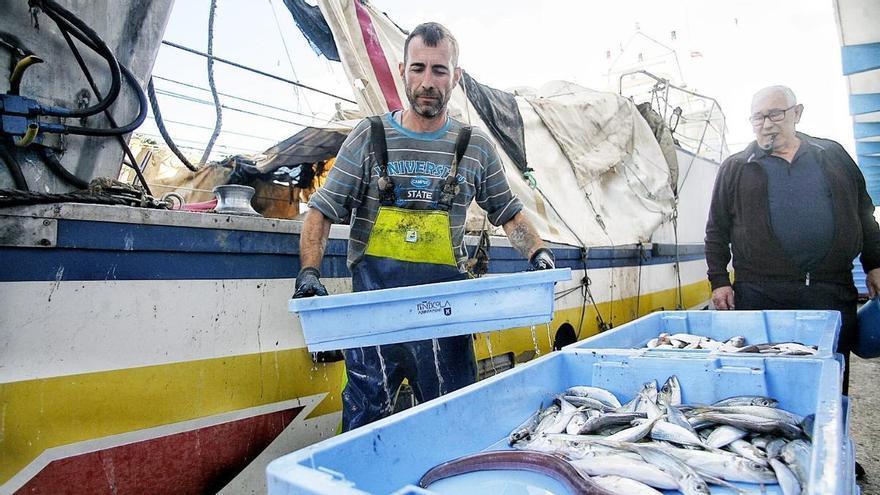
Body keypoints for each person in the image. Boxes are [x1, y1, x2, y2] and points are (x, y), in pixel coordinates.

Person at [293, 22, 555, 431]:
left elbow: (509, 214)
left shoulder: (475, 147)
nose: (427, 81)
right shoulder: (369, 136)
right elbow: (320, 211)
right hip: (373, 315)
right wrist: (308, 274)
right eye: (418, 68)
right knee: (365, 425)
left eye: (439, 70)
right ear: (402, 71)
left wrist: (539, 254)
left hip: (444, 317)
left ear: (456, 77)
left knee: (452, 424)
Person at [705, 85, 880, 393]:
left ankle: (827, 437)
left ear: (797, 113)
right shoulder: (735, 167)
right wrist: (719, 280)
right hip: (760, 294)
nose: (767, 123)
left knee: (828, 380)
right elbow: (716, 229)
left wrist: (875, 264)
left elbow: (864, 212)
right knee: (764, 384)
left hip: (830, 291)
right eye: (758, 117)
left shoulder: (833, 155)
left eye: (775, 114)